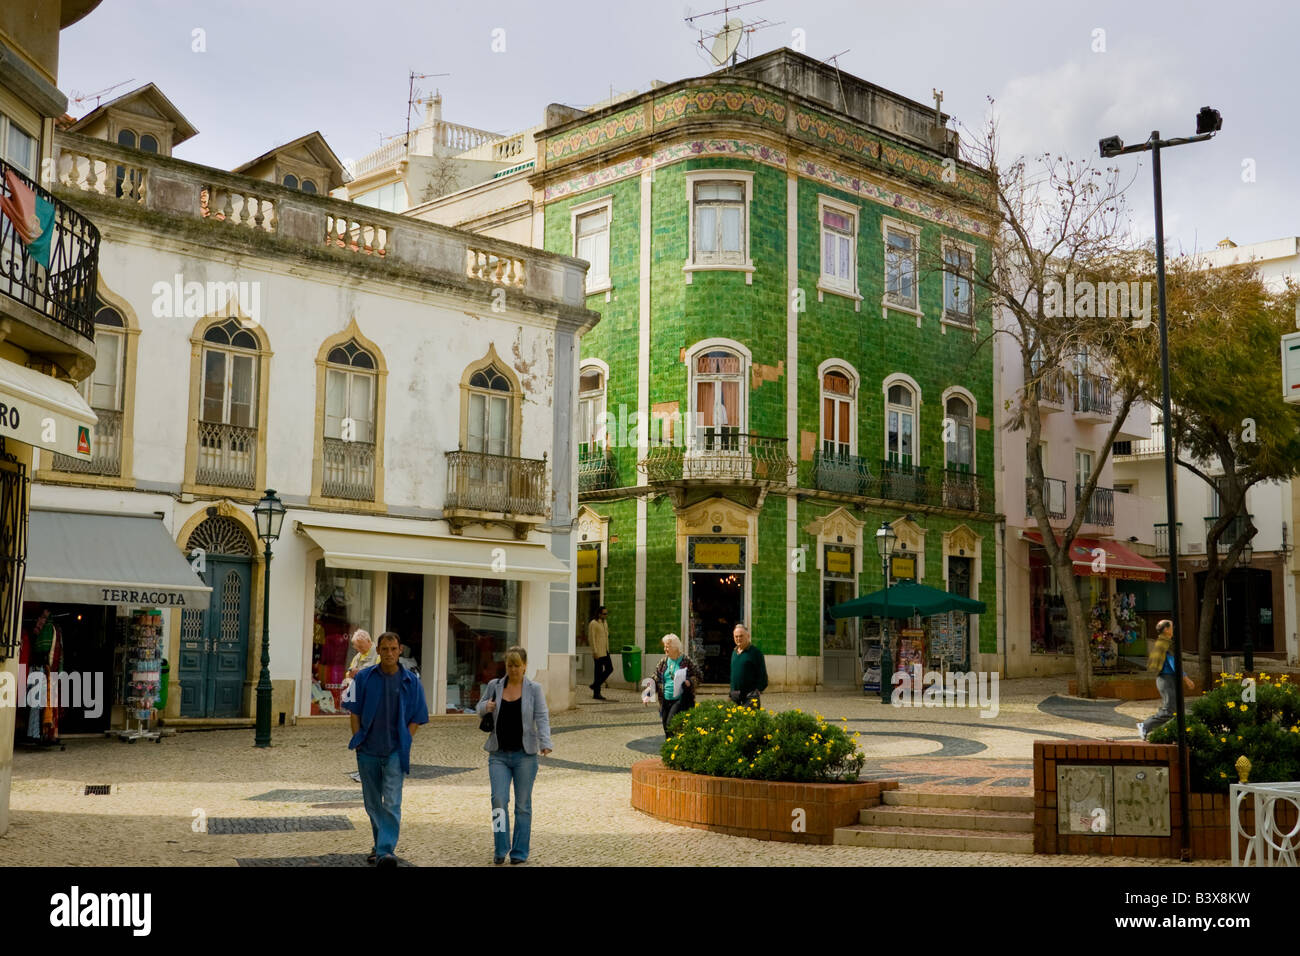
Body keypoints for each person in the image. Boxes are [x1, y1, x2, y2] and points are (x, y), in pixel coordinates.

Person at [342, 631, 429, 867]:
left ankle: (385, 851)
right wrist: (358, 740)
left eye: (394, 649)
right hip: (367, 749)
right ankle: (380, 845)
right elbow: (354, 711)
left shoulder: (412, 681)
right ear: (377, 651)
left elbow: (418, 717)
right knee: (373, 803)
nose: (389, 653)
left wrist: (405, 741)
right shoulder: (363, 678)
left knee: (391, 802)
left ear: (400, 650)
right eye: (385, 649)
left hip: (394, 751)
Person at [476, 645, 553, 864]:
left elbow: (542, 716)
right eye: (510, 665)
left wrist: (545, 742)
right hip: (498, 754)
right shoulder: (495, 685)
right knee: (498, 801)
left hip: (525, 756)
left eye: (517, 665)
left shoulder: (534, 689)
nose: (513, 669)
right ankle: (500, 848)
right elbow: (478, 706)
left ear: (525, 666)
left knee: (522, 805)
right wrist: (487, 707)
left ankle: (519, 852)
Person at [1139, 619, 1189, 740]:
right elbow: (1173, 663)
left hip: (1168, 679)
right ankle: (1145, 725)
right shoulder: (1166, 643)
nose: (1174, 628)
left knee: (1176, 709)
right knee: (1170, 710)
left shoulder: (1162, 642)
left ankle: (1176, 734)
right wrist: (1186, 678)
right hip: (1166, 680)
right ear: (1166, 630)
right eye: (1172, 626)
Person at [653, 634, 701, 736]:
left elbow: (699, 675)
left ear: (675, 647)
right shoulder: (663, 662)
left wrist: (690, 681)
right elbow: (655, 677)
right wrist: (648, 693)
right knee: (666, 727)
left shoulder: (686, 660)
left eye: (667, 647)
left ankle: (675, 746)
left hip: (680, 699)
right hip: (665, 699)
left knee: (671, 724)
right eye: (665, 646)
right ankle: (670, 749)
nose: (665, 649)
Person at [730, 623, 767, 709]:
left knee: (749, 721)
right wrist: (731, 691)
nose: (738, 638)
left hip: (750, 697)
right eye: (736, 636)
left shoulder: (756, 653)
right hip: (735, 696)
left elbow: (763, 677)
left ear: (748, 636)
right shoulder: (734, 653)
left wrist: (756, 692)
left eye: (741, 636)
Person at [588, 605, 612, 700]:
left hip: (605, 650)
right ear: (599, 614)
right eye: (604, 614)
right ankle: (596, 693)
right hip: (598, 651)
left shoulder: (604, 623)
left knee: (609, 668)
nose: (606, 615)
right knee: (598, 672)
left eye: (606, 613)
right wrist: (594, 651)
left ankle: (595, 684)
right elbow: (591, 638)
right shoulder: (593, 623)